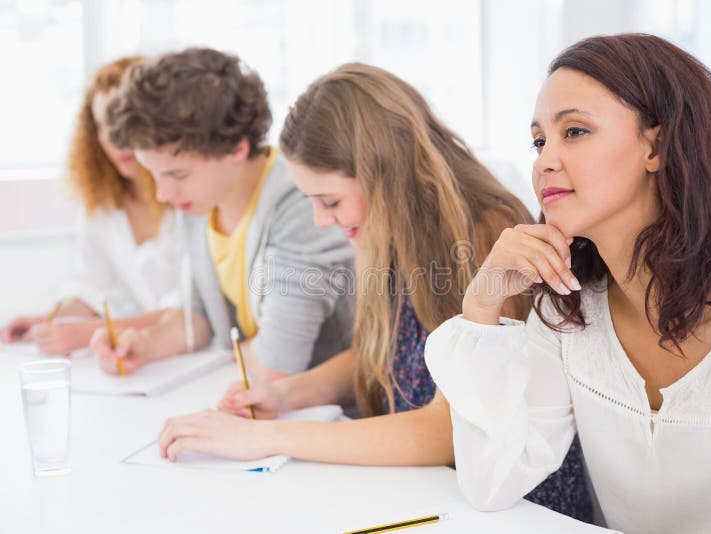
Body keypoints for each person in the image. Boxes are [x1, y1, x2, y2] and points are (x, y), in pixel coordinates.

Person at [157, 63, 592, 522]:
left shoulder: (487, 234)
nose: (321, 220)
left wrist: (267, 438)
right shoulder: (384, 232)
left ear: (386, 176)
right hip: (421, 487)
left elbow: (448, 428)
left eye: (330, 202)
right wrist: (287, 395)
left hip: (511, 508)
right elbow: (382, 353)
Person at [424, 33, 711, 533]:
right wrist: (481, 305)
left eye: (574, 131)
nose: (544, 161)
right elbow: (491, 485)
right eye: (539, 141)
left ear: (658, 145)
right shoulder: (567, 312)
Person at [91, 47, 354, 378]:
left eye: (177, 175)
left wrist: (225, 354)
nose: (163, 193)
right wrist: (146, 344)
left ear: (236, 148)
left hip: (336, 414)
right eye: (154, 174)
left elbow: (277, 363)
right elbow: (199, 319)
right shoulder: (200, 204)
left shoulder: (301, 203)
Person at [0, 56, 181, 356]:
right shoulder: (101, 204)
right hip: (150, 359)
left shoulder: (188, 195)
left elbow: (195, 313)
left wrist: (89, 333)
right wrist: (51, 321)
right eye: (103, 126)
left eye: (125, 123)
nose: (116, 140)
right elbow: (94, 285)